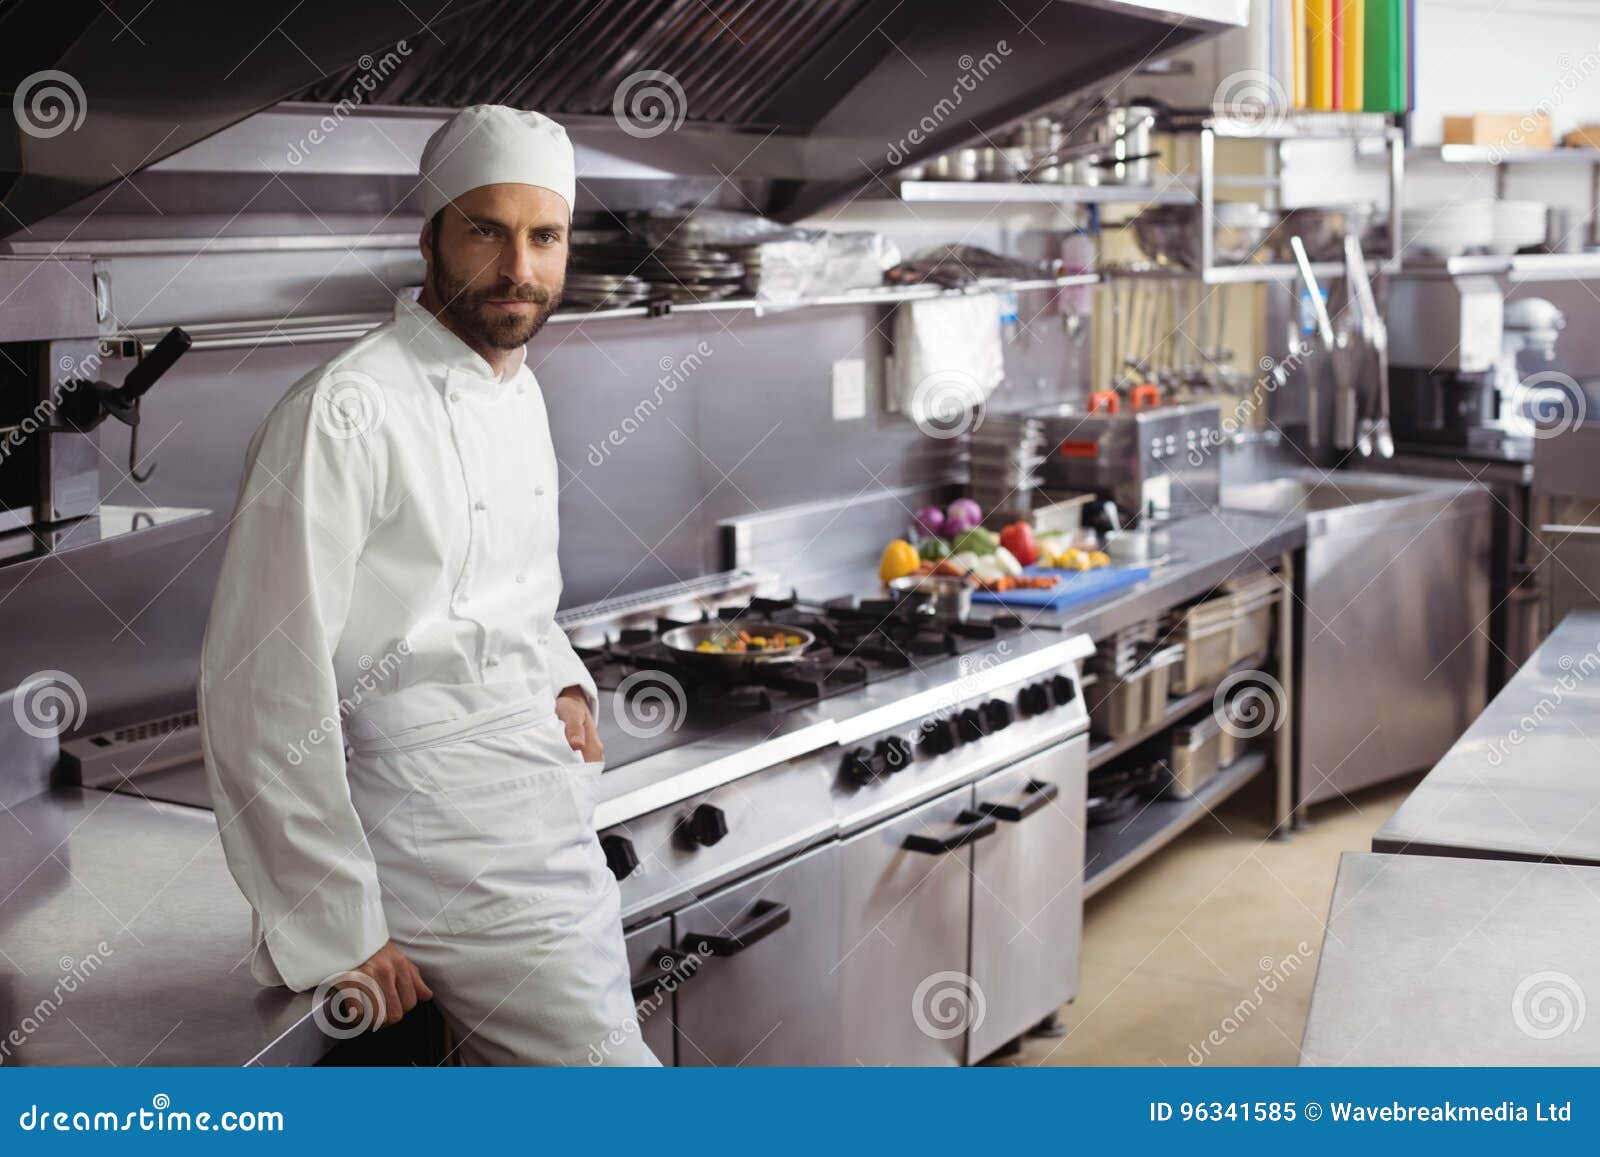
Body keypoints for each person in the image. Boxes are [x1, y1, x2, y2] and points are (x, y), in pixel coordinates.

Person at [198, 104, 657, 1066]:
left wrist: (560, 673)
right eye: (487, 230)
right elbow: (263, 683)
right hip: (434, 839)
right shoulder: (343, 412)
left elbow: (499, 588)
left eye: (545, 237)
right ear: (431, 235)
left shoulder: (516, 385)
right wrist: (338, 921)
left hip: (537, 804)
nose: (519, 269)